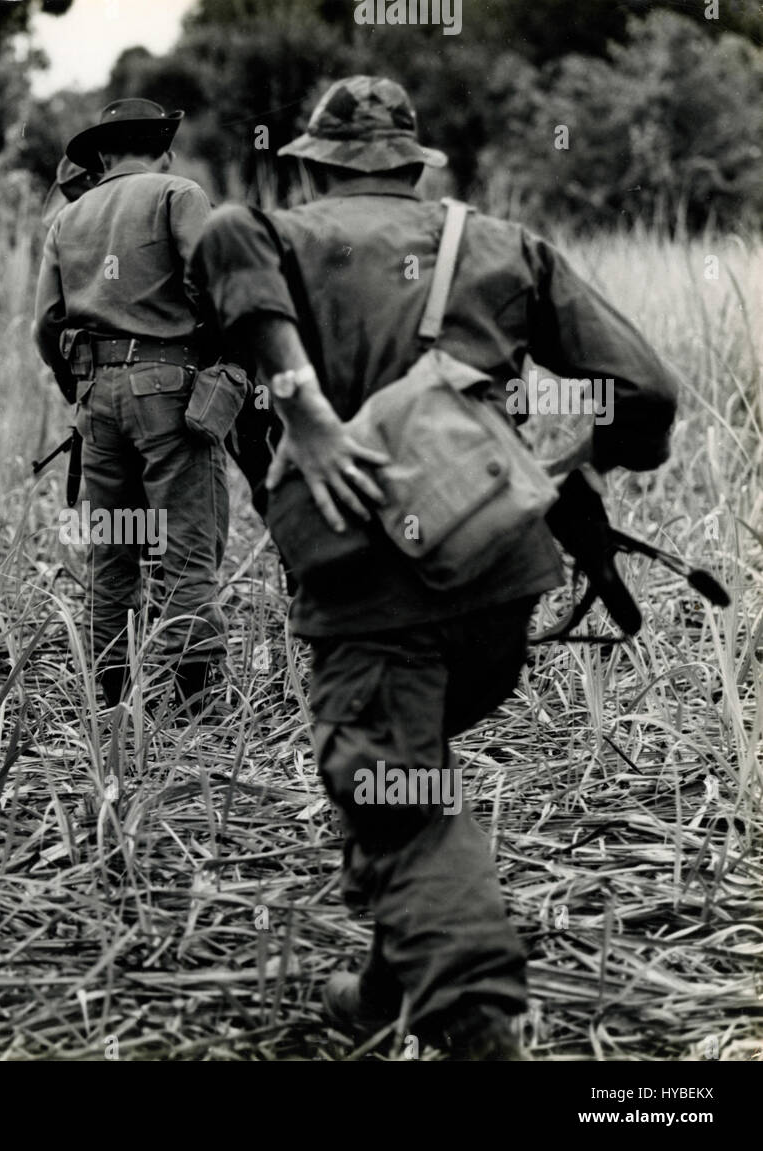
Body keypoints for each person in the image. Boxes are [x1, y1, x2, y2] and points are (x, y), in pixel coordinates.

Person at [188, 75, 679, 1058]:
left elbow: (220, 242)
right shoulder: (501, 244)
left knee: (389, 787)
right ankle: (384, 984)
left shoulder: (278, 235)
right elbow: (648, 390)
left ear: (315, 163)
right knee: (403, 761)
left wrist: (307, 410)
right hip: (498, 586)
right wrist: (572, 455)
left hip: (371, 593)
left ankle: (471, 1010)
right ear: (414, 168)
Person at [33, 98, 228, 715]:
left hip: (96, 397)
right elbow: (216, 284)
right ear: (162, 146)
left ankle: (110, 696)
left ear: (101, 156)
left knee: (111, 546)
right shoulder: (180, 193)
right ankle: (192, 702)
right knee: (188, 541)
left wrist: (82, 386)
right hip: (169, 388)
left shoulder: (69, 218)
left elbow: (46, 324)